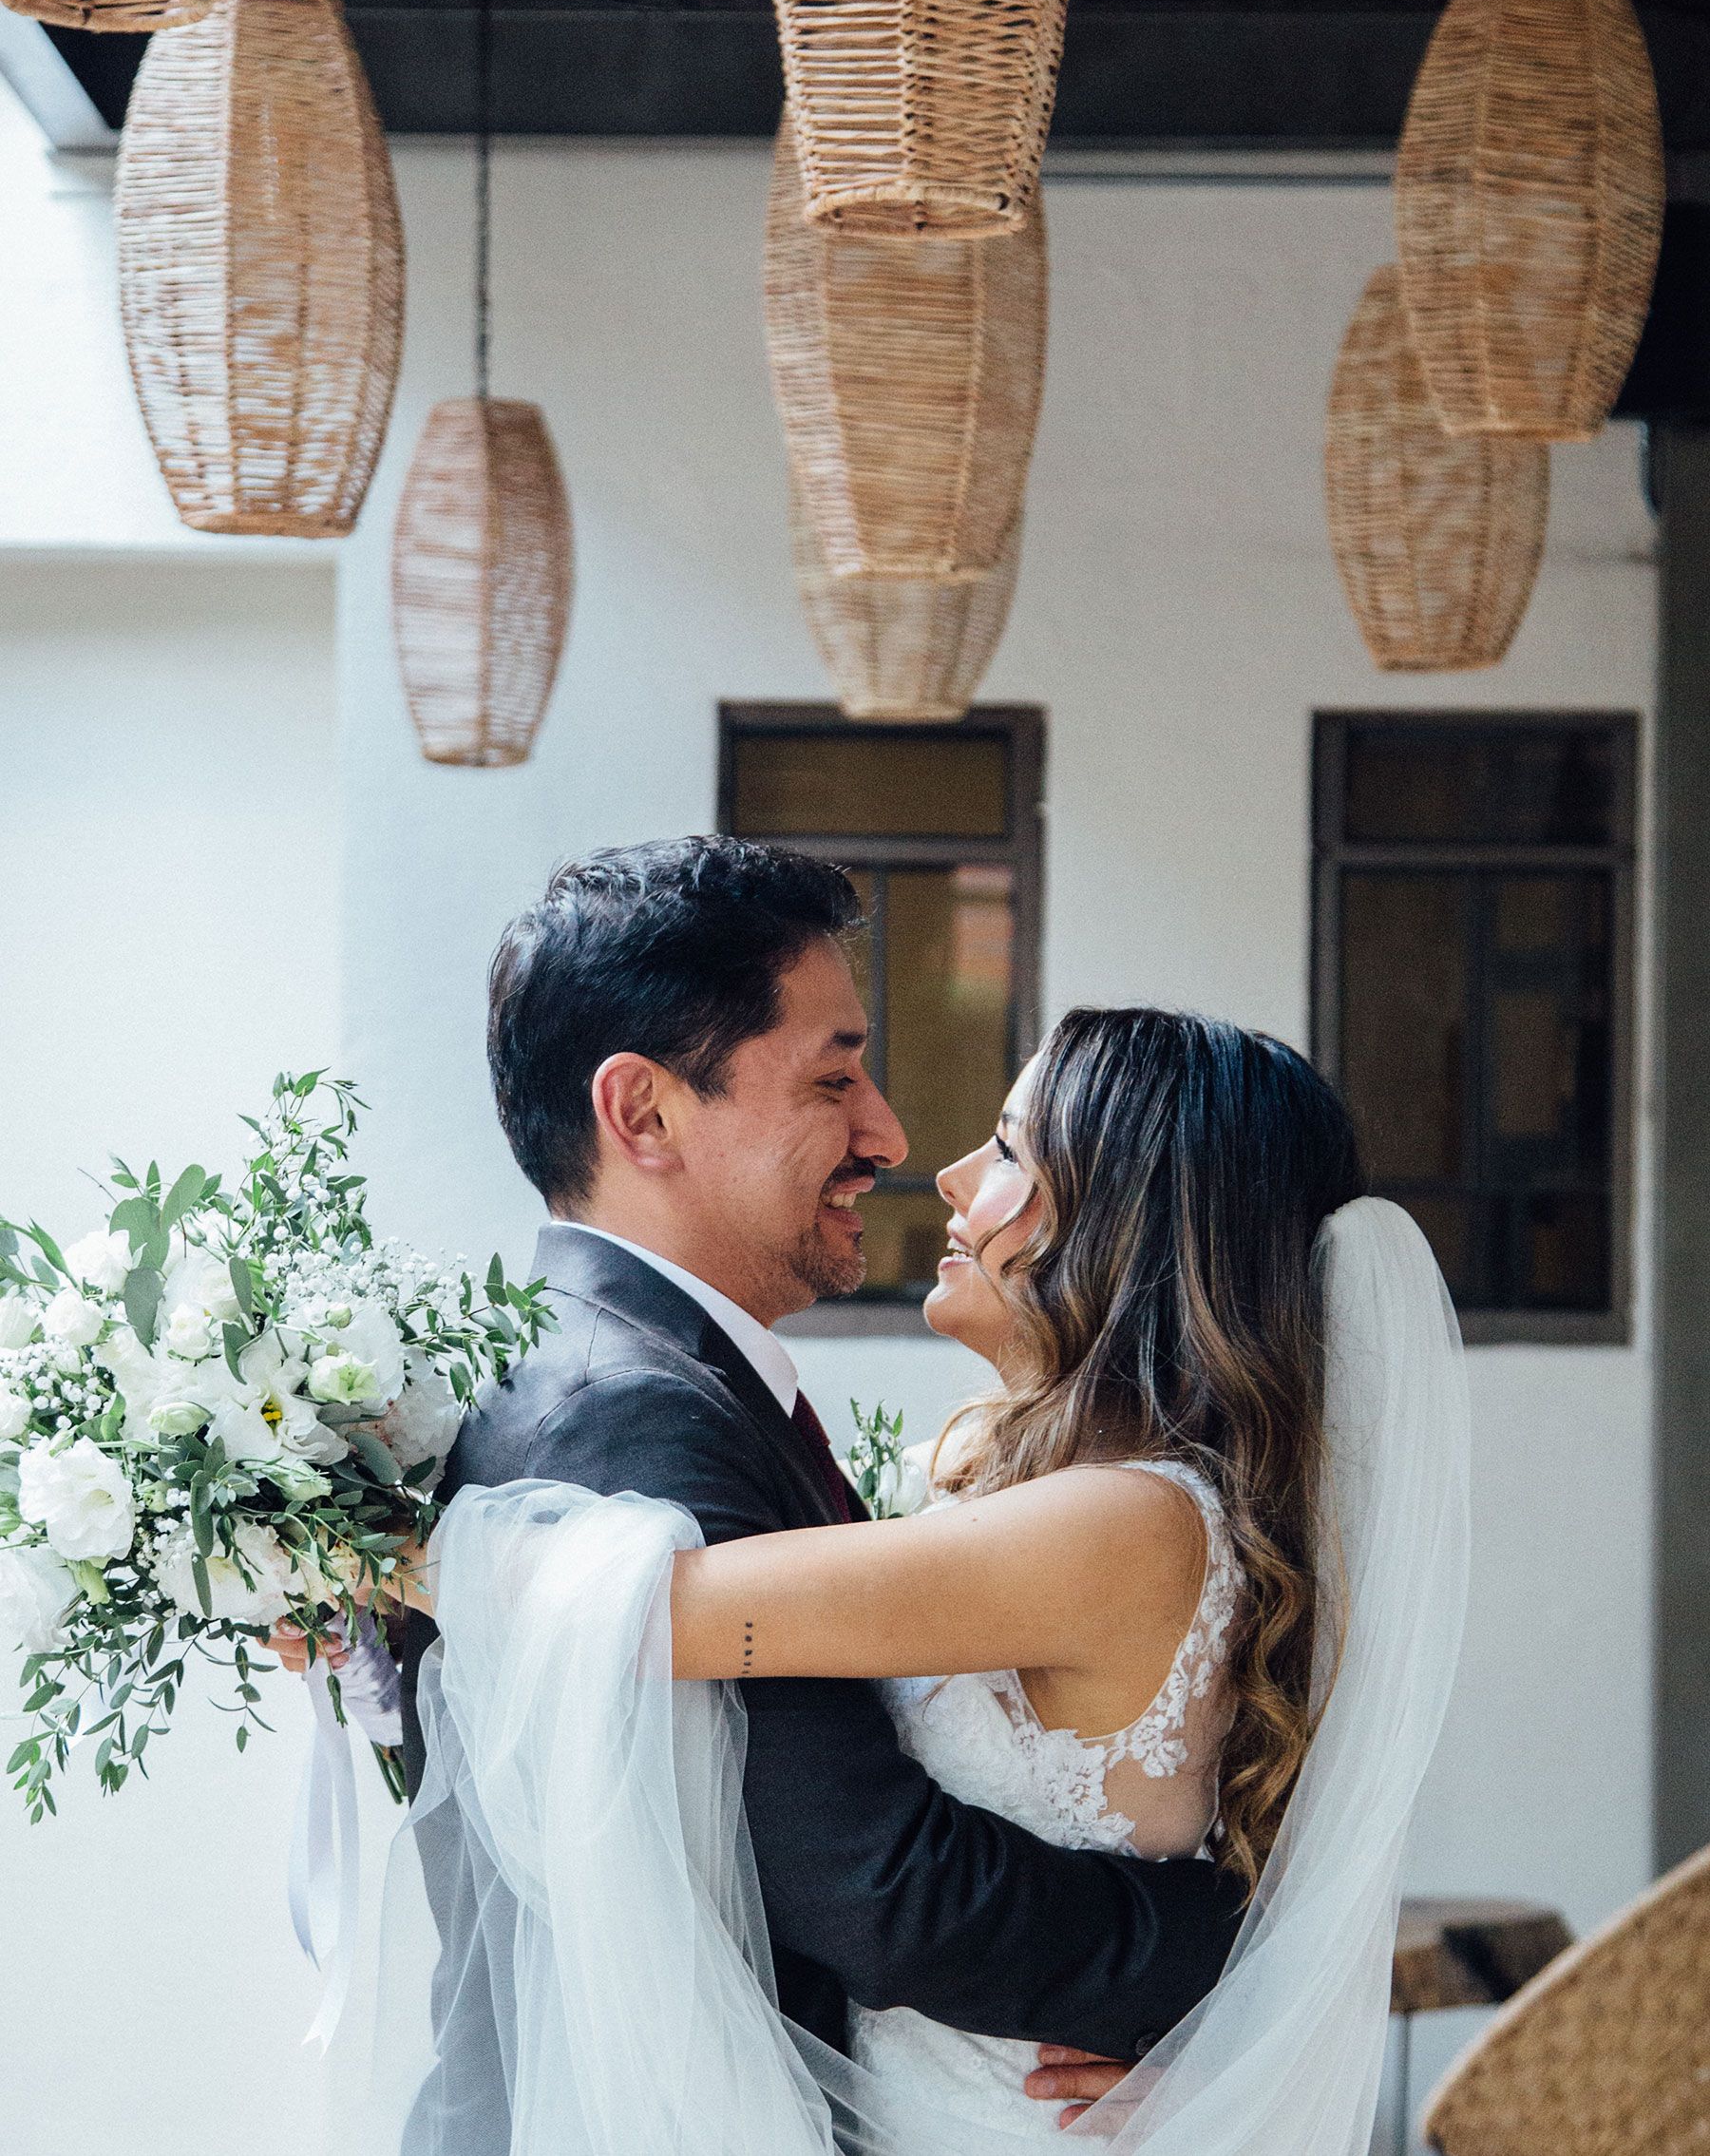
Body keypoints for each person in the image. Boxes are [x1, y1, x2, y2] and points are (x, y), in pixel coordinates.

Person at [366, 837, 1470, 2156]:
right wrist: (1221, 1979)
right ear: (644, 1115)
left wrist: (372, 1560)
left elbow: (661, 1614)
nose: (910, 1151)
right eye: (835, 1078)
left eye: (1006, 1148)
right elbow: (881, 1886)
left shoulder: (1119, 1519)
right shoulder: (638, 1407)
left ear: (1125, 1223)